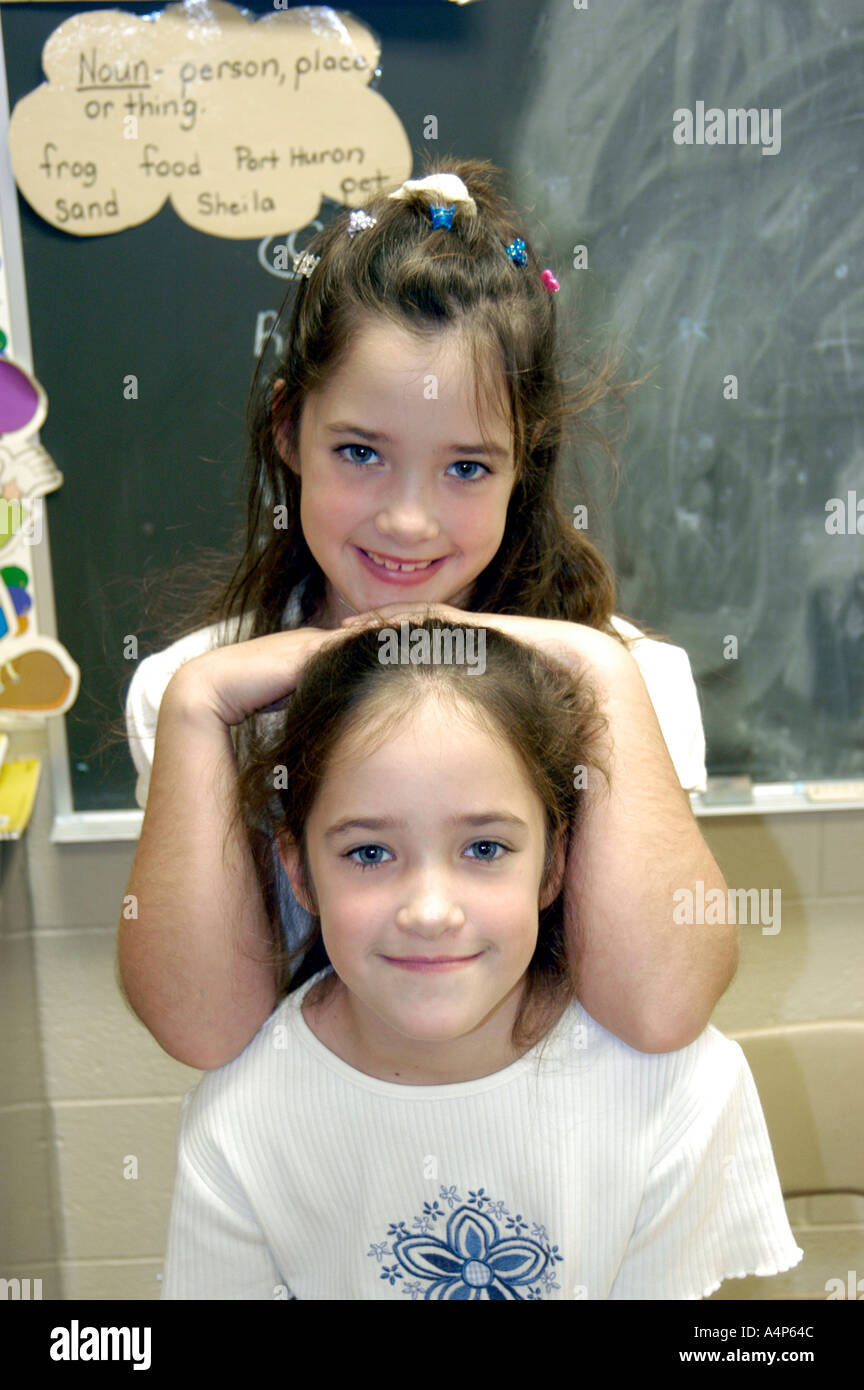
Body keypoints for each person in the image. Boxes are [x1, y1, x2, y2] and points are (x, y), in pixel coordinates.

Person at [120, 156, 735, 1071]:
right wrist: (197, 707)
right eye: (362, 452)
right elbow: (205, 1029)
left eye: (467, 467)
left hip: (569, 1180)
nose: (408, 519)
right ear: (289, 429)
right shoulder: (195, 692)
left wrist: (604, 677)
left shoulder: (626, 678)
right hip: (332, 1180)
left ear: (526, 462)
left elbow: (661, 1008)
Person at [160, 618, 801, 1300]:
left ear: (555, 865)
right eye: (369, 853)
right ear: (300, 872)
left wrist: (600, 662)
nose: (430, 911)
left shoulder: (679, 1089)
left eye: (485, 849)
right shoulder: (241, 1121)